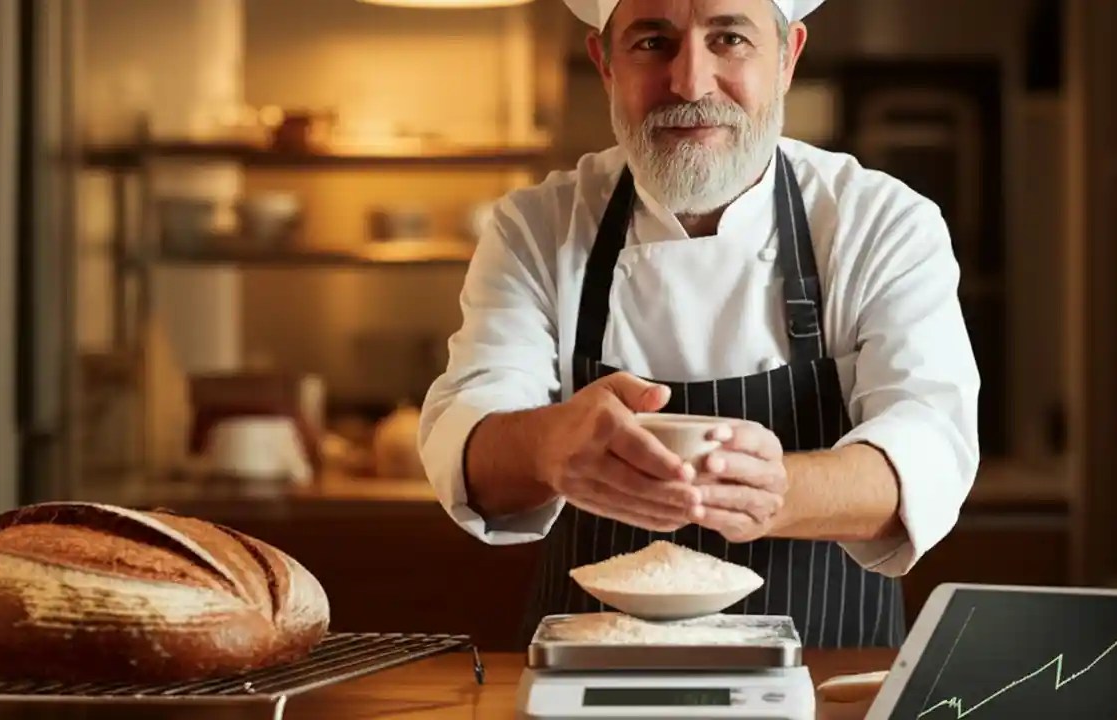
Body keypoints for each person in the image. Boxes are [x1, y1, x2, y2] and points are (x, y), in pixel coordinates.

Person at [418, 0, 979, 648]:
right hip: (594, 683)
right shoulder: (538, 228)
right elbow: (468, 440)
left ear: (788, 56)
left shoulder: (878, 222)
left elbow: (930, 445)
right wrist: (549, 446)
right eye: (652, 42)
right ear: (604, 62)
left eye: (730, 39)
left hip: (823, 678)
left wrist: (781, 490)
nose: (690, 82)